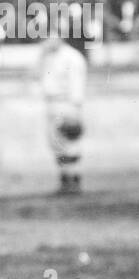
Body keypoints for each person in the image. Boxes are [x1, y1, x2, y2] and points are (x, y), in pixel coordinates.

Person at [38, 31, 89, 195]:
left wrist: (75, 109)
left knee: (70, 143)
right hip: (52, 103)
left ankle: (74, 180)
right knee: (57, 145)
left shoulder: (72, 57)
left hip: (67, 103)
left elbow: (77, 84)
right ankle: (64, 180)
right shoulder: (49, 57)